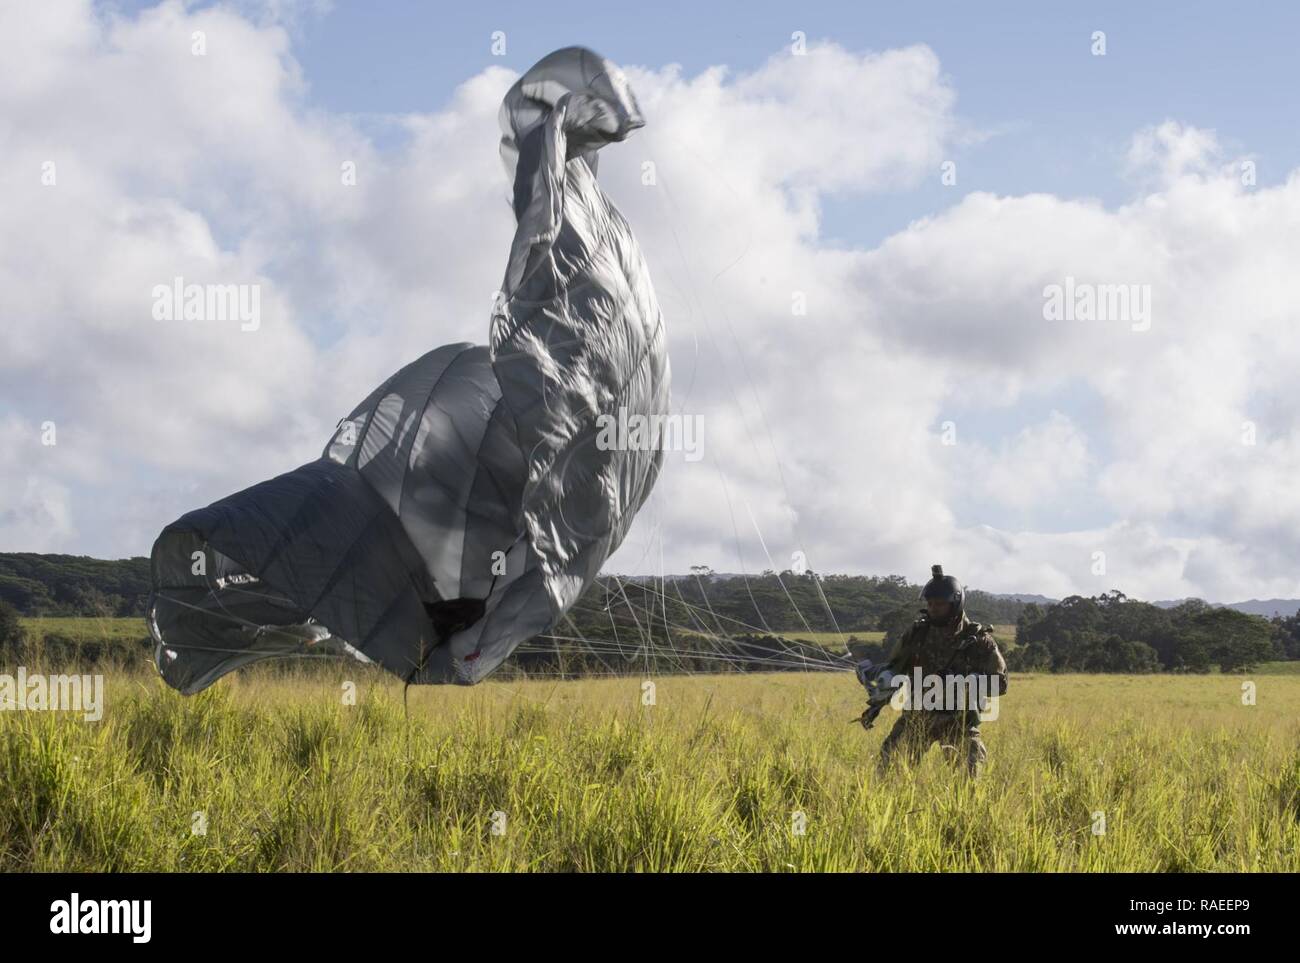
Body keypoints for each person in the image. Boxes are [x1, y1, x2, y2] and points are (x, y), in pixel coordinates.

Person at [876, 564, 1007, 776]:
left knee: (969, 781)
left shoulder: (979, 640)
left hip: (959, 721)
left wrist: (964, 680)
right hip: (917, 718)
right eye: (930, 603)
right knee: (888, 771)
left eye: (940, 604)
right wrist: (876, 678)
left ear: (955, 604)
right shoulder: (917, 634)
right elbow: (894, 669)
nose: (933, 608)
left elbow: (1001, 684)